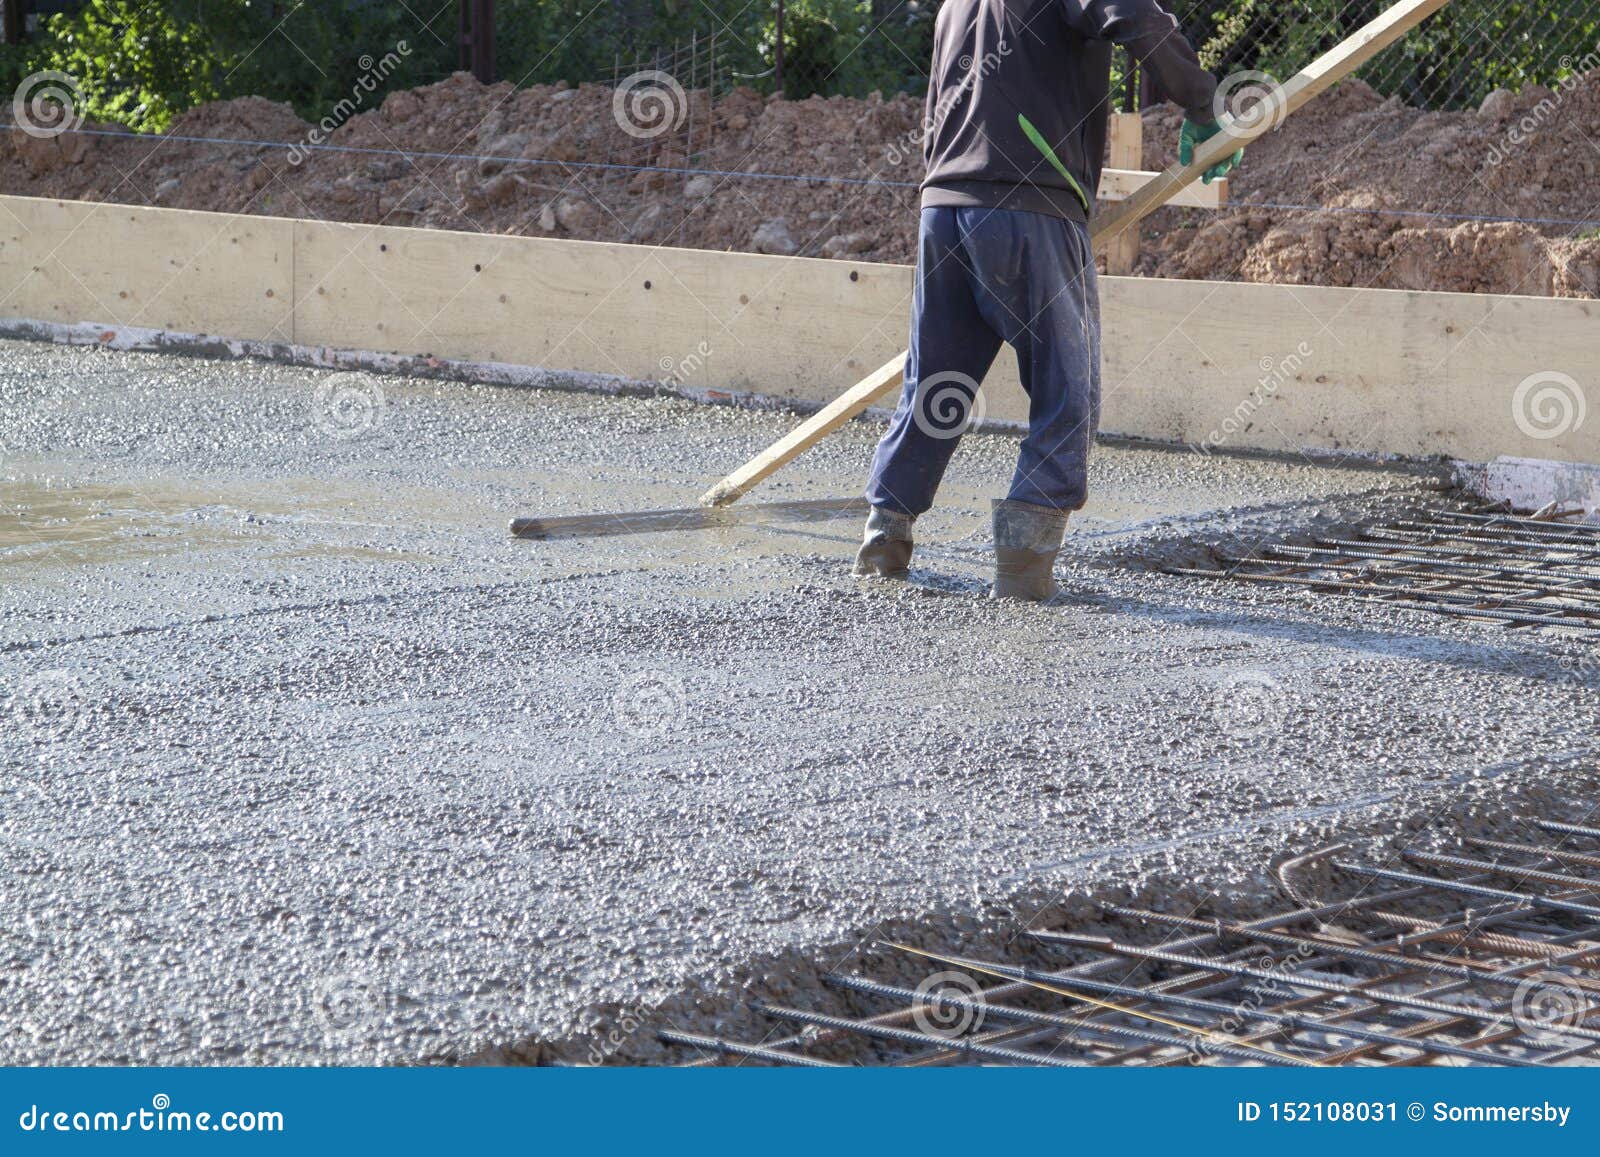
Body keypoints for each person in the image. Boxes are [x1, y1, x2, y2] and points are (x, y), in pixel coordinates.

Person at [853, 0, 1241, 601]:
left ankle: (886, 537)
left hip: (944, 207)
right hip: (1029, 203)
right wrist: (1204, 104)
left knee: (936, 384)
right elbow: (1134, 12)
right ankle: (1023, 569)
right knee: (1066, 388)